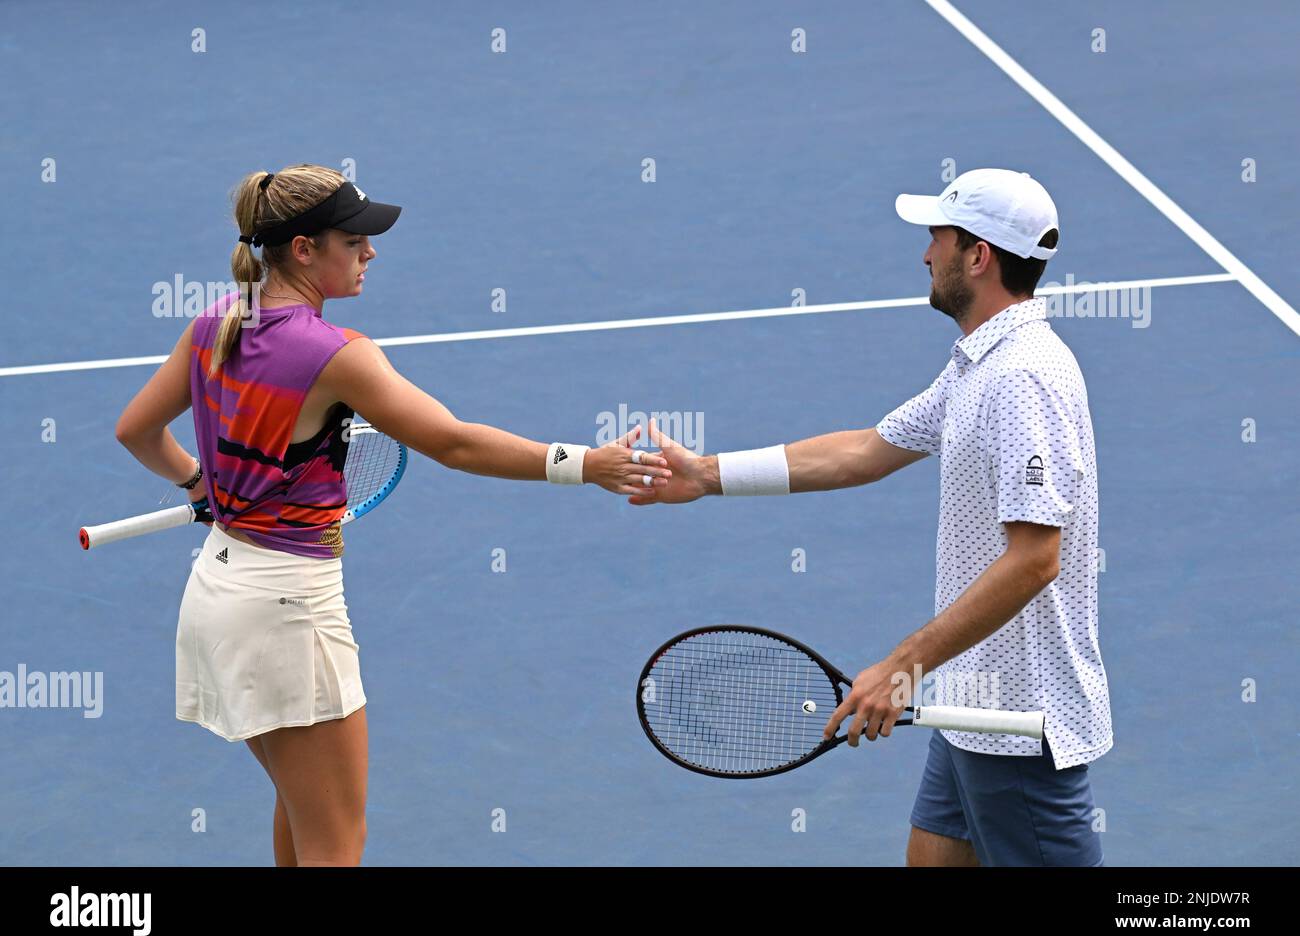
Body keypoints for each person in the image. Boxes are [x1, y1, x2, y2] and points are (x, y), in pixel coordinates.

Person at [113, 163, 671, 866]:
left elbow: (134, 431)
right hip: (288, 613)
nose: (371, 252)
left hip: (219, 594)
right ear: (306, 249)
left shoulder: (215, 325)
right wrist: (583, 464)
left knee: (301, 813)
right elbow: (454, 442)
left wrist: (199, 482)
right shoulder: (338, 356)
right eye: (355, 240)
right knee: (337, 845)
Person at [634, 169, 1111, 866]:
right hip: (971, 696)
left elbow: (1037, 558)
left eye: (937, 238)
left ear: (977, 256)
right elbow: (865, 451)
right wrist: (707, 475)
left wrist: (902, 666)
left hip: (1014, 719)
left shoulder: (1022, 379)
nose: (925, 254)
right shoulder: (980, 364)